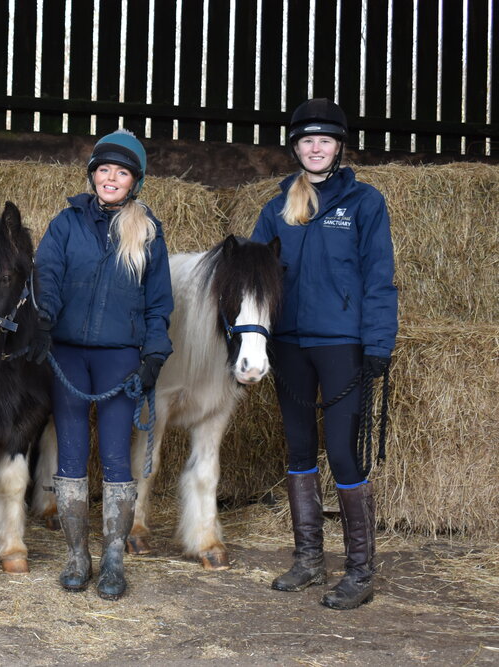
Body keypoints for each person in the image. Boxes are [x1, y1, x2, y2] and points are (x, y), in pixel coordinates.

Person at [250, 98, 397, 610]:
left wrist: (378, 344)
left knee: (342, 452)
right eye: (307, 140)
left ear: (338, 147)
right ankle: (308, 559)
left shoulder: (364, 203)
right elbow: (253, 278)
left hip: (340, 344)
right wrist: (252, 335)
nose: (315, 147)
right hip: (289, 344)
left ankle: (360, 570)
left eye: (325, 140)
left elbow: (380, 280)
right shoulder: (277, 207)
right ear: (296, 147)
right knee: (296, 450)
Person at [30, 129, 173, 600]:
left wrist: (154, 354)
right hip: (68, 355)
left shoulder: (148, 230)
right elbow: (47, 273)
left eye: (122, 172)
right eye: (104, 170)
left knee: (115, 456)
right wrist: (44, 316)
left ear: (136, 180)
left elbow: (158, 303)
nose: (112, 178)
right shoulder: (66, 223)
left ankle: (113, 556)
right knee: (70, 454)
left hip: (119, 359)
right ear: (93, 175)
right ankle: (77, 554)